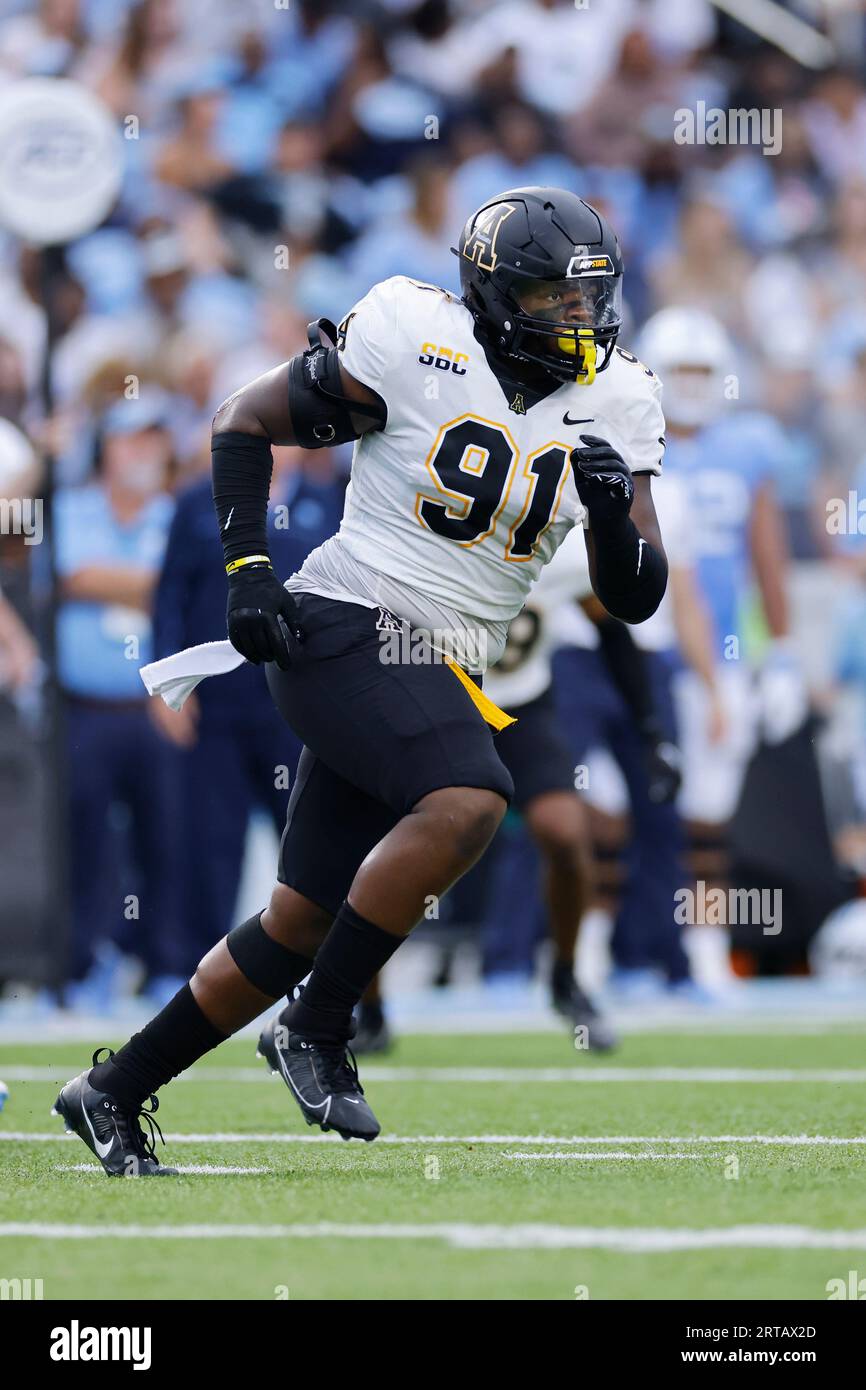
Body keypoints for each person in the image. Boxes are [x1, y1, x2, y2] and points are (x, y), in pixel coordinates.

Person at [54, 186, 668, 1175]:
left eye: (588, 296)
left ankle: (112, 1089)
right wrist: (248, 571)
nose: (579, 318)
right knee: (469, 797)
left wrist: (606, 522)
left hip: (442, 661)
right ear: (500, 294)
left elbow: (633, 599)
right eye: (556, 298)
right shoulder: (414, 337)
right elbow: (241, 420)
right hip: (344, 619)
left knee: (299, 915)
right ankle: (320, 1023)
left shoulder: (622, 398)